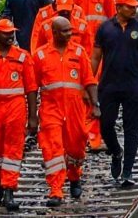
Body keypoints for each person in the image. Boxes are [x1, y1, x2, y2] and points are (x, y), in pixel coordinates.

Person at [92, 0, 138, 189]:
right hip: (108, 86)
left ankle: (128, 170)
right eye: (129, 6)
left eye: (134, 6)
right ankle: (116, 152)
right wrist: (89, 85)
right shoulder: (104, 29)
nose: (134, 9)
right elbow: (95, 57)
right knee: (105, 124)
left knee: (132, 129)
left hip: (133, 86)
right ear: (118, 8)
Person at [31, 15, 97, 206]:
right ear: (54, 33)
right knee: (52, 148)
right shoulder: (41, 56)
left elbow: (89, 80)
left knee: (76, 146)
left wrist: (95, 104)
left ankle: (74, 176)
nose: (70, 34)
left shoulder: (78, 51)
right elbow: (33, 88)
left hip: (75, 109)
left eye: (70, 30)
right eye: (65, 31)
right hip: (51, 110)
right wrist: (33, 116)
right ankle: (56, 190)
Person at [0, 18, 38, 212]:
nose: (11, 36)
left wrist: (32, 116)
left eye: (12, 32)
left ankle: (9, 190)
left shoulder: (23, 57)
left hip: (15, 107)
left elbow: (31, 89)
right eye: (6, 33)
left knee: (13, 149)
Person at [69, 0, 115, 148]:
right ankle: (83, 133)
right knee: (80, 92)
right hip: (79, 48)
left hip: (99, 48)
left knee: (96, 89)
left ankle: (95, 135)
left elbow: (112, 15)